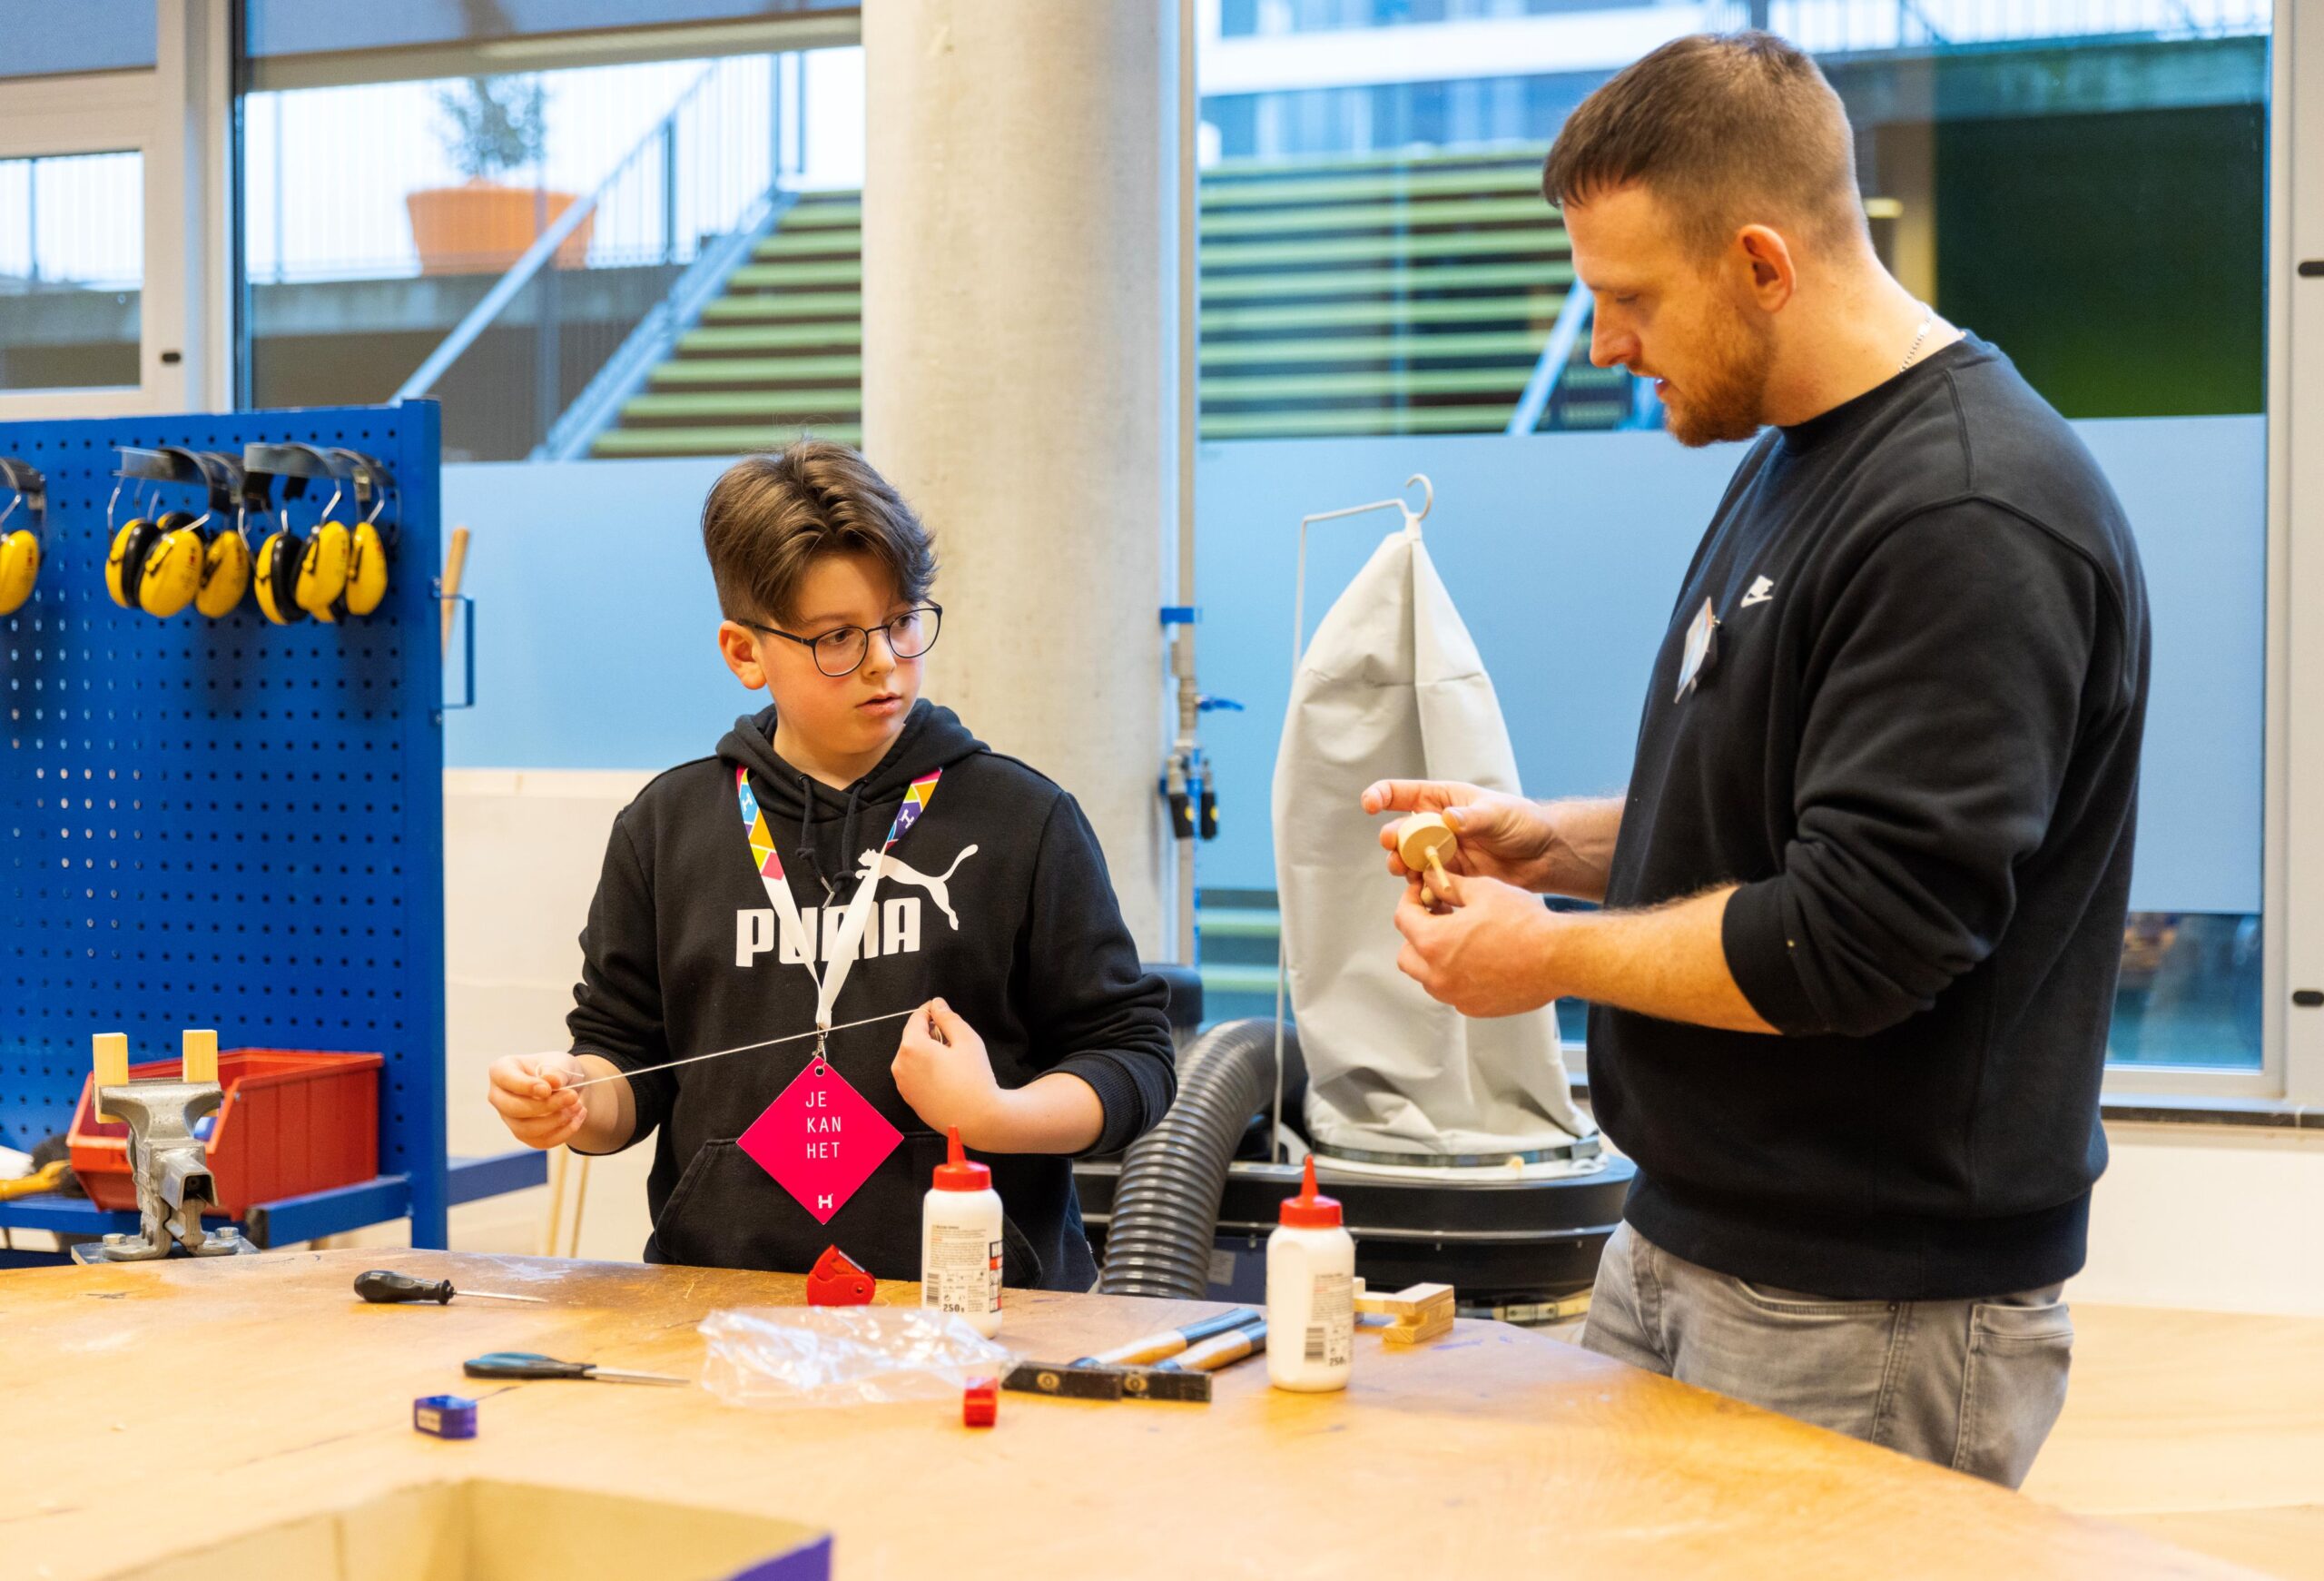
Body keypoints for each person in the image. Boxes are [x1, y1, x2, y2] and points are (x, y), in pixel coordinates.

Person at [1366, 31, 2148, 1487]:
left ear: (1763, 265)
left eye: (1629, 299)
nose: (1605, 345)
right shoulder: (1795, 457)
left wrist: (1547, 954)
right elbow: (1795, 823)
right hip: (1692, 1238)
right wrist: (1559, 841)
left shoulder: (1966, 515)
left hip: (1869, 1302)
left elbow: (1859, 938)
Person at [487, 440, 1176, 1290]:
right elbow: (624, 1062)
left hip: (975, 1309)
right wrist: (573, 1100)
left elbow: (1134, 1059)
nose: (885, 661)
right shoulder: (666, 829)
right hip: (723, 1308)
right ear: (745, 653)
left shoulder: (1023, 820)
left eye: (900, 620)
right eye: (838, 639)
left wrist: (997, 1112)